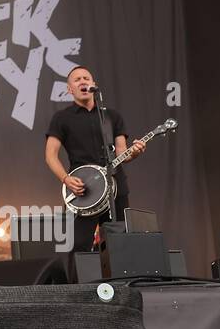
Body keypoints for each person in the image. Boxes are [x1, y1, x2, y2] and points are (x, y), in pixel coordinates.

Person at [44, 66, 145, 253]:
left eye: (86, 78)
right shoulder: (62, 118)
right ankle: (79, 283)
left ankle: (119, 283)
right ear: (69, 89)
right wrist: (66, 179)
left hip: (115, 188)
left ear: (94, 85)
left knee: (119, 245)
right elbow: (50, 155)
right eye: (77, 79)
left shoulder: (111, 116)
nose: (83, 81)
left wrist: (136, 151)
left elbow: (123, 152)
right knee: (77, 246)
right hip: (83, 189)